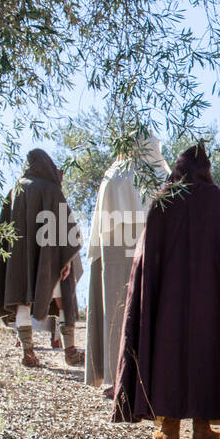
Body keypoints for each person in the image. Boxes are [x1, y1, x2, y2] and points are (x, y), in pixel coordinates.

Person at [111, 143, 220, 439]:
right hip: (211, 301)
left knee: (168, 350)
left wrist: (150, 296)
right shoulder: (219, 202)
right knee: (212, 348)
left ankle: (169, 426)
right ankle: (203, 426)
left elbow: (145, 259)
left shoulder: (164, 200)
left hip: (168, 300)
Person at [0, 149, 83, 368]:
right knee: (62, 299)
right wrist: (65, 260)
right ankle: (70, 351)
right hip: (50, 261)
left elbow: (4, 232)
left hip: (19, 260)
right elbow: (65, 228)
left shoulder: (15, 191)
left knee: (21, 301)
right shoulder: (51, 189)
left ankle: (28, 352)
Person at [84, 135, 170, 395]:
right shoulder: (161, 172)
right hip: (154, 244)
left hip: (114, 245)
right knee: (152, 310)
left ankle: (115, 378)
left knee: (117, 310)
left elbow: (100, 221)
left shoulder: (114, 173)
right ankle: (153, 380)